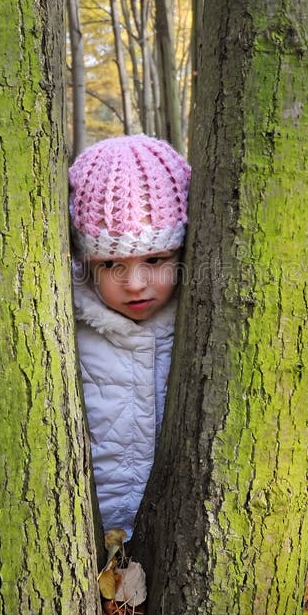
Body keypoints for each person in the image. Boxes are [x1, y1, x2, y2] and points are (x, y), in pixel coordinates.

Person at [68, 134, 191, 540]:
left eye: (155, 259)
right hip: (87, 540)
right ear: (87, 264)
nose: (135, 283)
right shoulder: (70, 331)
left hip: (173, 541)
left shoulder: (194, 331)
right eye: (110, 264)